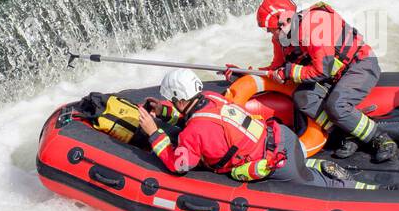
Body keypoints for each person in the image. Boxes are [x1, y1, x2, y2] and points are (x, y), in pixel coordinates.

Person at [227, 0, 399, 163]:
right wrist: (244, 73)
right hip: (334, 74)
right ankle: (345, 134)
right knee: (302, 97)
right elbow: (275, 70)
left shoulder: (315, 27)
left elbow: (321, 70)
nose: (268, 31)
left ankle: (380, 139)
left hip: (359, 65)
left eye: (270, 28)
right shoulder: (281, 38)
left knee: (337, 105)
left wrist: (289, 72)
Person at [135, 69, 373, 188]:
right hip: (283, 139)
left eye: (172, 101)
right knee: (306, 168)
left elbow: (180, 165)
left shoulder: (193, 132)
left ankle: (363, 190)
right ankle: (326, 168)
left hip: (274, 161)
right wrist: (164, 112)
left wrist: (154, 133)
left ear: (178, 98)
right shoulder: (210, 97)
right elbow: (197, 118)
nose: (172, 104)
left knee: (321, 187)